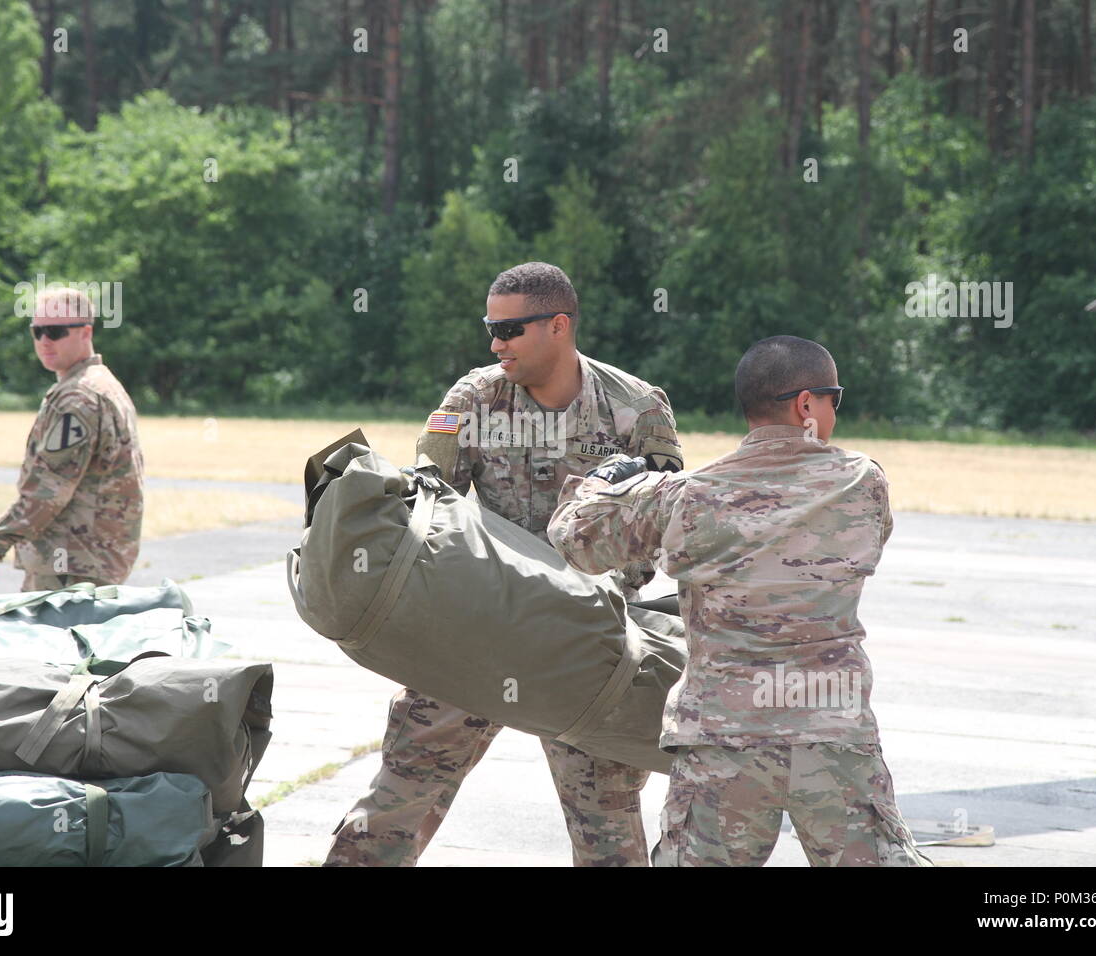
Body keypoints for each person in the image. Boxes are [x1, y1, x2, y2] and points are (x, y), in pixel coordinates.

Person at [325, 261, 683, 867]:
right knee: (398, 797)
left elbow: (665, 526)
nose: (496, 344)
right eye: (491, 328)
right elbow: (427, 508)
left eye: (510, 330)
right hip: (482, 631)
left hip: (584, 646)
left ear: (559, 326)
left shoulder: (636, 409)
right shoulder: (474, 398)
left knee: (606, 827)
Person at [547, 335, 931, 867]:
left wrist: (602, 482)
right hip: (833, 734)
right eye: (832, 398)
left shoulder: (686, 495)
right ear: (805, 405)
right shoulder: (862, 482)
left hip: (724, 741)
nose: (835, 411)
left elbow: (576, 542)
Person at [0, 287, 144, 592]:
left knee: (49, 639)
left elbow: (49, 489)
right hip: (89, 559)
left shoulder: (79, 397)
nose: (44, 341)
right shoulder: (100, 384)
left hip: (71, 564)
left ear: (86, 333)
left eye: (56, 331)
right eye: (37, 331)